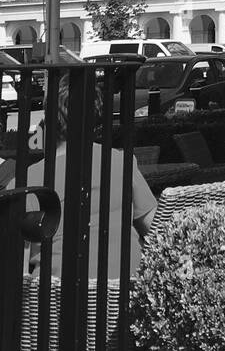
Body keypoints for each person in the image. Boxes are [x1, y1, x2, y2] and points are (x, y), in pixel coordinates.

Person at [23, 73, 156, 281]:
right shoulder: (120, 163)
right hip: (126, 290)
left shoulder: (29, 181)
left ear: (47, 120)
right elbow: (155, 228)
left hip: (55, 299)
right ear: (94, 118)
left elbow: (16, 261)